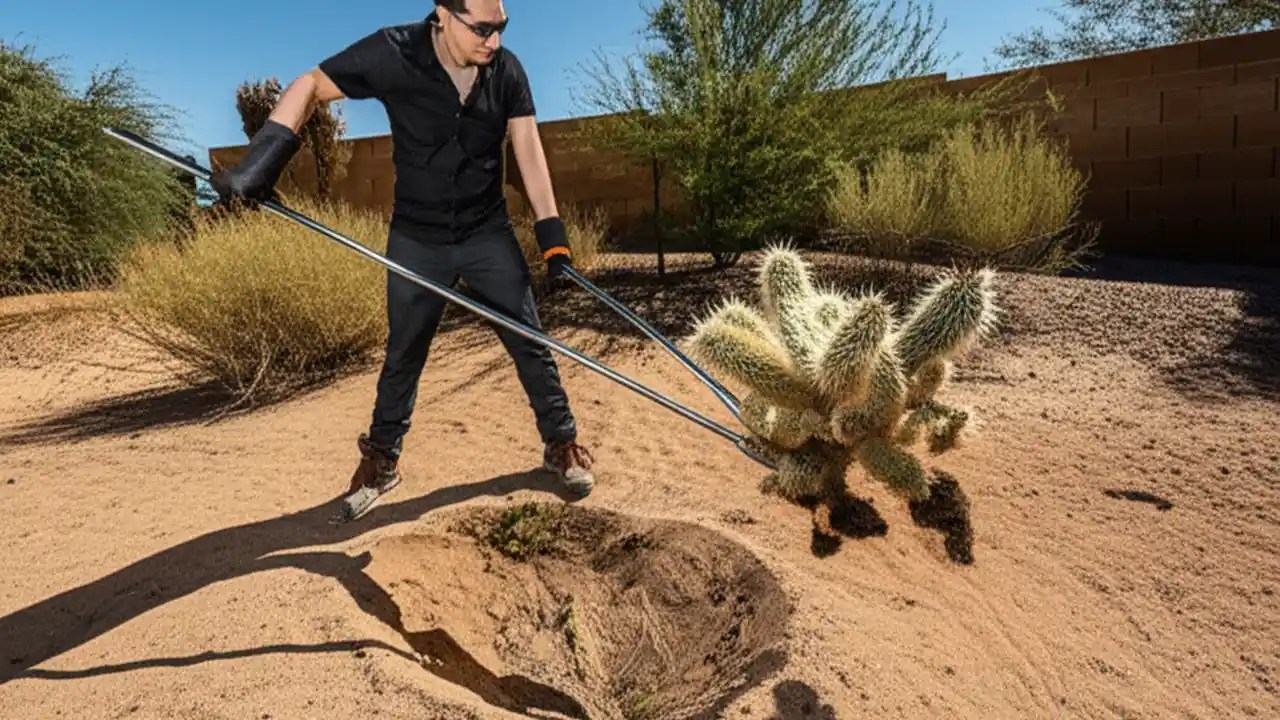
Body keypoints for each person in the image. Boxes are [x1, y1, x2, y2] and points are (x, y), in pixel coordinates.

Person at [210, 0, 596, 522]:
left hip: (487, 233)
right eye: (482, 28)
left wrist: (552, 236)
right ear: (443, 14)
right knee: (404, 354)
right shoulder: (393, 53)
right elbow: (310, 85)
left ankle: (561, 444)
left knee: (529, 338)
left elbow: (527, 147)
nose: (494, 41)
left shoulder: (506, 70)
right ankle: (381, 462)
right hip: (418, 237)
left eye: (501, 27)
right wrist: (260, 161)